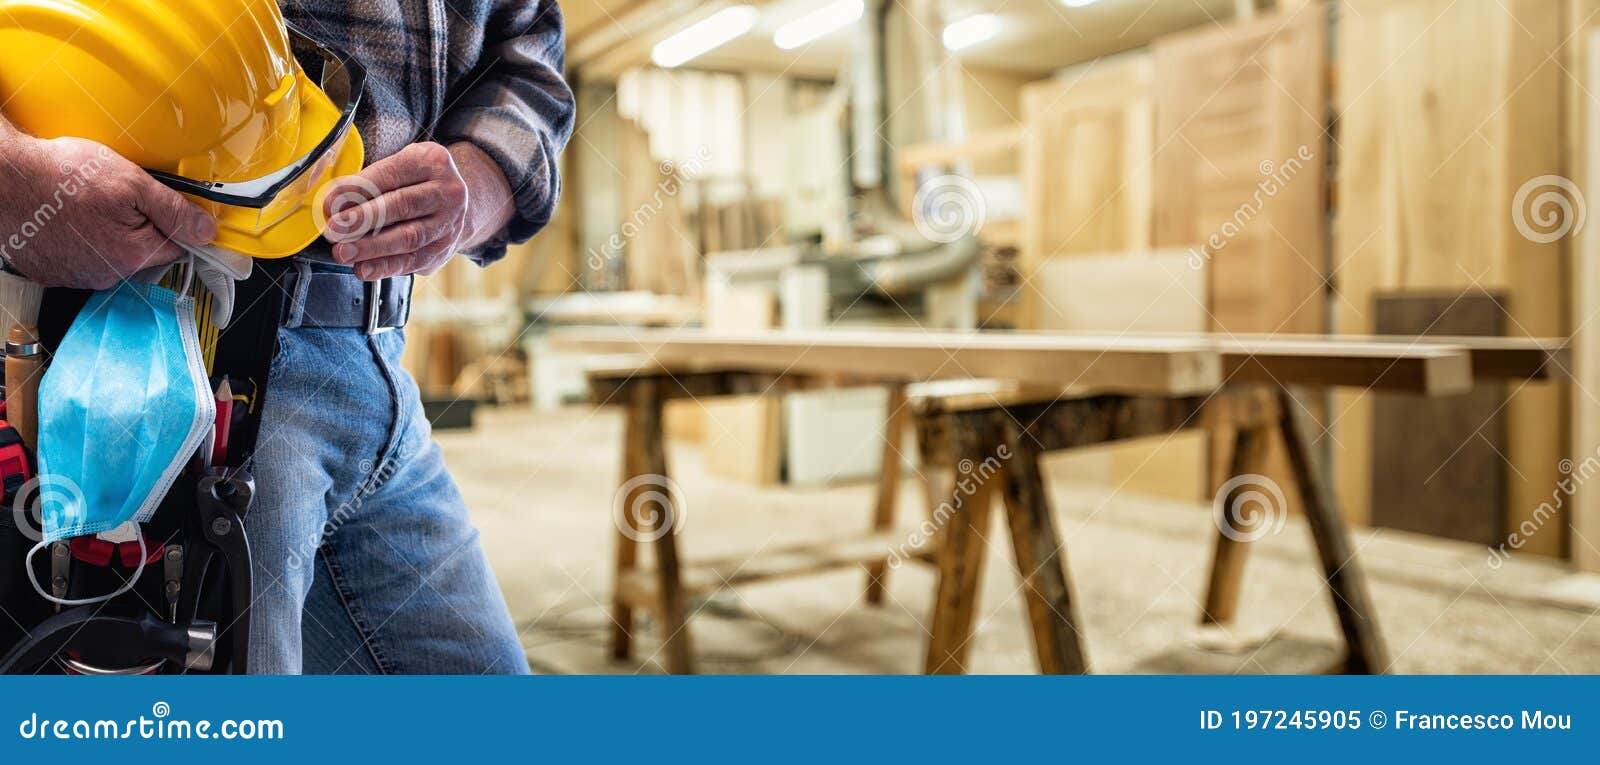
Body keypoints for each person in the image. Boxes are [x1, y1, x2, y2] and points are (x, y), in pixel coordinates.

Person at [0, 1, 575, 674]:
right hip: (141, 345)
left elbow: (526, 51)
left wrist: (478, 188)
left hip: (375, 357)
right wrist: (13, 176)